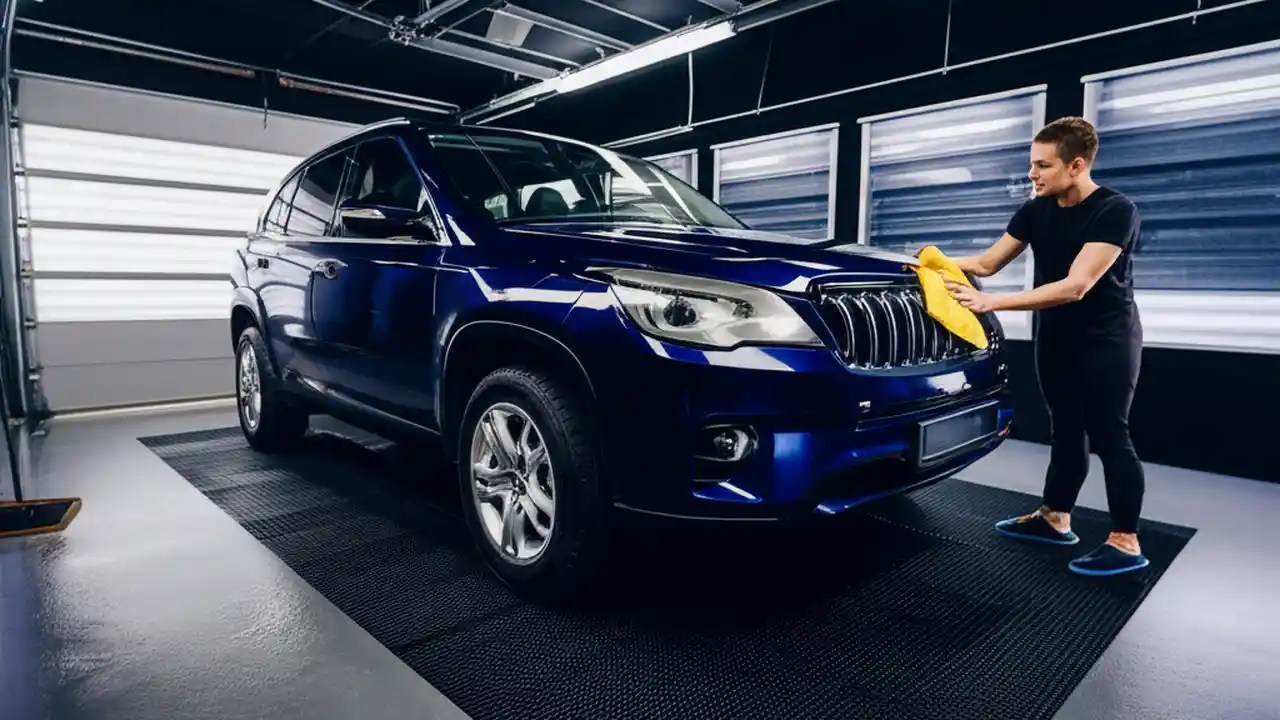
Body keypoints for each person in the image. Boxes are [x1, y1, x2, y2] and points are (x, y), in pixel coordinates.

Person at [945, 116, 1148, 577]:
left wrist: (990, 302)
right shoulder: (1036, 209)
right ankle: (1055, 518)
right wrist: (922, 260)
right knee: (1065, 428)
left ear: (1076, 166)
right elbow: (986, 262)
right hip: (1055, 334)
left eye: (1042, 166)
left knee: (1109, 433)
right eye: (1032, 164)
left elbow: (1077, 285)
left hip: (1107, 338)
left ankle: (1125, 540)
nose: (1032, 174)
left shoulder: (1115, 210)